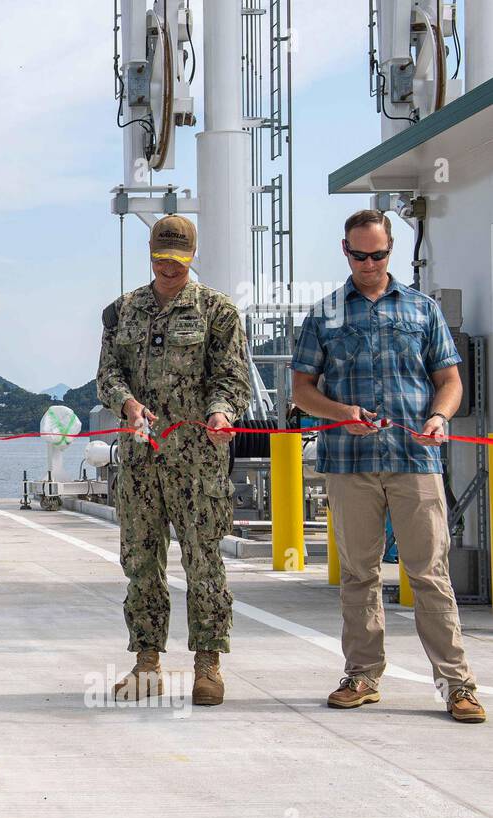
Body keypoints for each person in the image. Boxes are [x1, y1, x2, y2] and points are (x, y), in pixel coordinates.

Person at [291, 208, 484, 723]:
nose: (370, 263)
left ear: (390, 250)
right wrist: (341, 414)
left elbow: (449, 380)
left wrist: (441, 417)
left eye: (379, 254)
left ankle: (457, 684)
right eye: (361, 255)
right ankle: (361, 675)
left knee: (429, 574)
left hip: (414, 458)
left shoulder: (423, 310)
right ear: (345, 250)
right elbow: (301, 390)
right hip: (349, 462)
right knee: (359, 574)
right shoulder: (324, 314)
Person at [95, 215, 252, 705]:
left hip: (198, 464)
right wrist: (127, 404)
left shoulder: (217, 312)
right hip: (140, 463)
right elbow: (107, 375)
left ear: (192, 258)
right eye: (162, 260)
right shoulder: (123, 312)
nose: (169, 269)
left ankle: (208, 665)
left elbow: (232, 378)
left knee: (205, 564)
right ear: (150, 252)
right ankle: (146, 665)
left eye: (179, 262)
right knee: (141, 564)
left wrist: (222, 411)